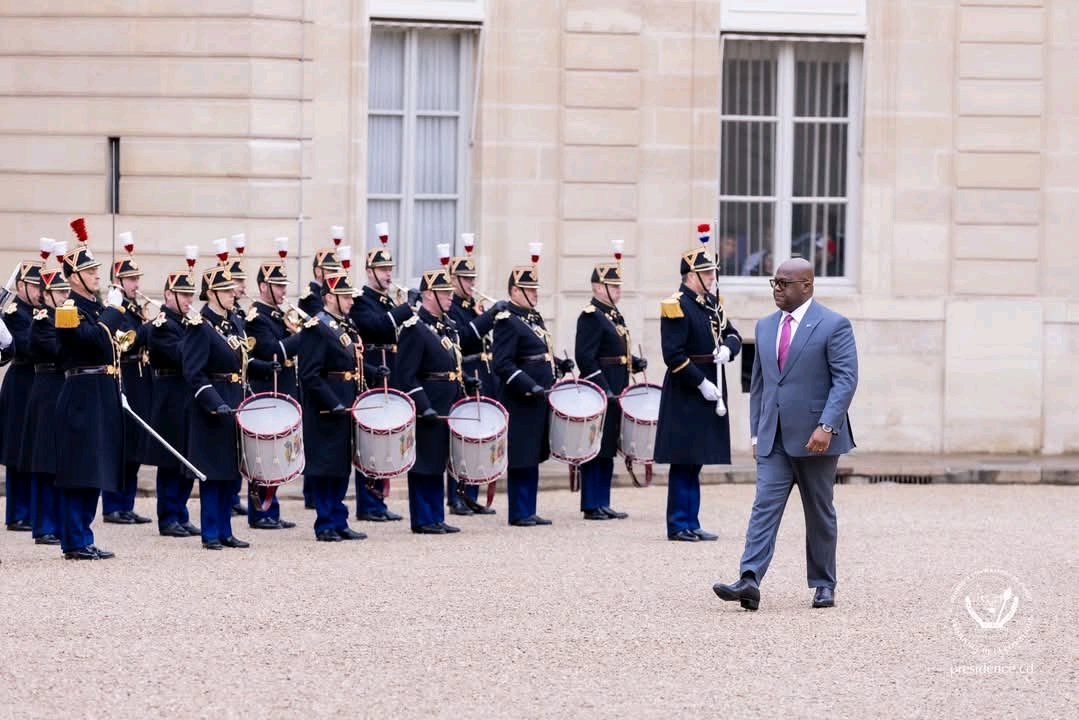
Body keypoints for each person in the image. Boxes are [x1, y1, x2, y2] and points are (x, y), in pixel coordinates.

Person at [713, 258, 858, 610]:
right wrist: (755, 434)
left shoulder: (833, 325)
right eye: (773, 282)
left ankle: (824, 584)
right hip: (773, 438)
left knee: (819, 512)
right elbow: (760, 386)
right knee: (763, 507)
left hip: (816, 438)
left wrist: (827, 426)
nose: (777, 289)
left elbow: (846, 380)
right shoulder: (764, 327)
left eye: (784, 283)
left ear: (806, 285)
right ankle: (749, 578)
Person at [654, 246, 741, 542]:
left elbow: (733, 334)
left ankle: (692, 520)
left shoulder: (712, 304)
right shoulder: (676, 305)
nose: (712, 277)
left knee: (696, 459)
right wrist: (701, 383)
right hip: (687, 390)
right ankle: (679, 523)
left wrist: (728, 349)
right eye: (706, 273)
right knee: (684, 458)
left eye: (713, 272)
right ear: (691, 275)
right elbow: (673, 354)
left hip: (712, 383)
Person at [183, 265, 274, 550]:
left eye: (231, 289)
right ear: (210, 293)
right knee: (214, 471)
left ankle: (225, 530)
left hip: (235, 400)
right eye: (225, 290)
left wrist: (262, 368)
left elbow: (241, 362)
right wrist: (213, 403)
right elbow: (193, 372)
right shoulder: (200, 326)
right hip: (213, 404)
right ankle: (211, 532)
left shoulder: (233, 322)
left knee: (232, 470)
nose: (232, 294)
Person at [53, 235, 123, 560]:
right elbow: (90, 340)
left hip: (101, 391)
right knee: (79, 467)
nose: (97, 275)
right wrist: (112, 312)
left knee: (94, 465)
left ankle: (85, 534)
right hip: (81, 391)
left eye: (96, 270)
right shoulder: (67, 309)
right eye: (90, 271)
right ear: (74, 277)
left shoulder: (95, 308)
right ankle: (73, 539)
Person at [296, 272, 380, 542]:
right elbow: (310, 375)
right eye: (345, 297)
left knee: (341, 466)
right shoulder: (316, 327)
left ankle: (339, 519)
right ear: (330, 297)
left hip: (347, 405)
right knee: (325, 466)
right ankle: (325, 523)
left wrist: (372, 371)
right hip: (326, 408)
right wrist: (333, 404)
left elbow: (347, 364)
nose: (350, 302)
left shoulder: (342, 326)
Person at [395, 268, 480, 534]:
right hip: (428, 404)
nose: (450, 297)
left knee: (439, 461)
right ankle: (423, 519)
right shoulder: (414, 329)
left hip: (447, 402)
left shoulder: (448, 326)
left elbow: (450, 363)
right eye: (444, 293)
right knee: (424, 463)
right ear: (428, 295)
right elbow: (406, 376)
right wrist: (423, 405)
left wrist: (466, 379)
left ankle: (436, 516)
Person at [491, 265, 574, 526]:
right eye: (529, 289)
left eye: (535, 289)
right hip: (521, 397)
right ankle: (519, 511)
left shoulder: (533, 318)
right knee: (521, 454)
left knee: (534, 453)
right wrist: (529, 385)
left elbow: (539, 354)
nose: (534, 294)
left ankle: (530, 508)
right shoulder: (507, 321)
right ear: (515, 291)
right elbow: (503, 363)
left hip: (540, 396)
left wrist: (560, 364)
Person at [573, 261, 646, 521]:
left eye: (618, 285)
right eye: (612, 286)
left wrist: (634, 362)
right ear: (597, 287)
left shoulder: (614, 315)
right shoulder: (591, 316)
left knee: (608, 446)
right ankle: (591, 503)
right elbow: (585, 357)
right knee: (595, 446)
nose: (618, 290)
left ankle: (603, 500)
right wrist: (602, 388)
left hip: (618, 387)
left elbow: (617, 353)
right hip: (601, 389)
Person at [348, 243, 413, 523]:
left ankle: (379, 501)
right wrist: (406, 309)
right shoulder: (361, 300)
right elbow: (376, 327)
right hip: (373, 371)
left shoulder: (388, 301)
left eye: (390, 270)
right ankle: (367, 503)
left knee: (386, 439)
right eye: (383, 270)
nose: (389, 275)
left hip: (392, 369)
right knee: (371, 438)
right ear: (369, 272)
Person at [243, 260, 303, 530]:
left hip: (285, 385)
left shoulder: (278, 315)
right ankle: (259, 512)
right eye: (278, 286)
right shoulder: (256, 317)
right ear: (264, 287)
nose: (282, 291)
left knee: (279, 452)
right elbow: (271, 350)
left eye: (283, 286)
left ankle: (272, 510)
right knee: (263, 453)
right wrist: (304, 337)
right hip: (267, 386)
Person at [444, 254, 502, 515]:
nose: (470, 283)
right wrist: (489, 317)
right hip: (465, 370)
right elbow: (464, 336)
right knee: (463, 435)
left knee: (480, 436)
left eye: (472, 278)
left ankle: (472, 494)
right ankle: (456, 496)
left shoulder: (471, 306)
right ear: (453, 280)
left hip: (483, 372)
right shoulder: (452, 307)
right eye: (465, 279)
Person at [146, 269, 201, 538]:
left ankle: (181, 512)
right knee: (170, 459)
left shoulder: (186, 323)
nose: (189, 300)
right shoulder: (162, 324)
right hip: (169, 394)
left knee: (187, 458)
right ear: (169, 295)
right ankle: (167, 517)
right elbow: (181, 355)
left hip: (187, 393)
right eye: (183, 295)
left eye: (191, 295)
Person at [100, 255, 153, 525]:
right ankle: (112, 505)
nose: (136, 284)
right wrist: (148, 330)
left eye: (136, 279)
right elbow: (125, 343)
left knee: (134, 446)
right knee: (121, 445)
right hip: (124, 376)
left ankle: (127, 503)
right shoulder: (115, 309)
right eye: (131, 279)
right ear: (118, 281)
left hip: (139, 379)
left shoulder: (134, 308)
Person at [21, 267, 69, 545]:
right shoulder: (42, 321)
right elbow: (57, 351)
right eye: (60, 292)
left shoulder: (67, 317)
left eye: (65, 291)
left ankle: (58, 523)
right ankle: (43, 526)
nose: (64, 296)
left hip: (63, 387)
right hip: (47, 388)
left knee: (61, 459)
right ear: (47, 295)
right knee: (45, 460)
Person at [0, 260, 43, 532]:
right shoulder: (16, 312)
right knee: (18, 447)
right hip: (22, 381)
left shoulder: (41, 312)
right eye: (34, 286)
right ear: (21, 286)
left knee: (33, 446)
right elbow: (24, 346)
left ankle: (31, 509)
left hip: (38, 380)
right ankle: (17, 513)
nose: (39, 291)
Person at [297, 248, 341, 318]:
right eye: (331, 271)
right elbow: (325, 321)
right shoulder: (311, 296)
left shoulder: (326, 292)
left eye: (336, 271)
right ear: (318, 271)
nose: (335, 275)